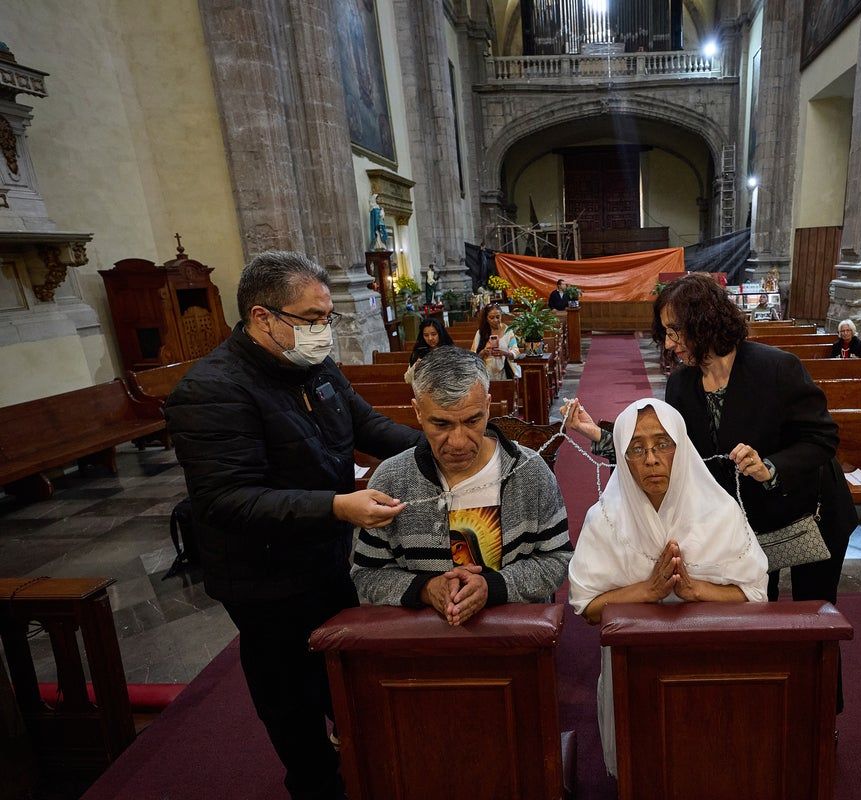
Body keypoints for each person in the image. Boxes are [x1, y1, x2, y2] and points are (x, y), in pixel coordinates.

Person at [164, 250, 423, 800]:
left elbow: (367, 425)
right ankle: (316, 783)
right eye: (311, 318)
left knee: (346, 677)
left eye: (327, 317)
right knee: (293, 699)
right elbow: (229, 500)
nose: (323, 330)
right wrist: (338, 506)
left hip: (326, 557)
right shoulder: (210, 390)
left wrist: (442, 447)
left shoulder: (313, 364)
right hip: (264, 579)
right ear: (262, 317)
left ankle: (366, 764)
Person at [563, 273, 856, 608]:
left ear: (704, 323)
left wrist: (769, 467)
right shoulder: (681, 384)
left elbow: (822, 438)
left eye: (675, 331)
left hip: (810, 508)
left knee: (814, 610)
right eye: (665, 332)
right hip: (751, 519)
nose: (669, 343)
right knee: (760, 607)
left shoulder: (777, 368)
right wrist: (599, 435)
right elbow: (675, 452)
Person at [568, 398, 768, 776]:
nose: (651, 459)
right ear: (622, 457)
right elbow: (587, 607)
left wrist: (695, 591)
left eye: (662, 444)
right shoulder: (605, 519)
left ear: (682, 447)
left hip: (709, 661)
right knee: (644, 766)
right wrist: (649, 591)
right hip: (635, 668)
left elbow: (755, 595)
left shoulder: (719, 512)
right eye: (636, 449)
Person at [352, 346, 571, 619]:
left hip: (513, 633)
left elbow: (557, 559)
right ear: (418, 411)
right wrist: (425, 589)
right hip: (427, 639)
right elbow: (366, 573)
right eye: (441, 424)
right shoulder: (392, 479)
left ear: (488, 406)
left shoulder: (529, 472)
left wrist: (493, 587)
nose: (458, 442)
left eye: (472, 421)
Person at [471, 302, 522, 380]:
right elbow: (473, 355)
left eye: (498, 317)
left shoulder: (508, 331)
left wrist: (505, 353)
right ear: (486, 318)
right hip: (485, 373)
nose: (495, 320)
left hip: (504, 372)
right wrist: (483, 352)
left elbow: (515, 350)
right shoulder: (481, 333)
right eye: (491, 318)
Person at [405, 316, 454, 383]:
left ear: (440, 334)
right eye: (426, 335)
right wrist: (416, 366)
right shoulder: (420, 351)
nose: (430, 338)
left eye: (434, 334)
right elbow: (407, 380)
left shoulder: (450, 351)